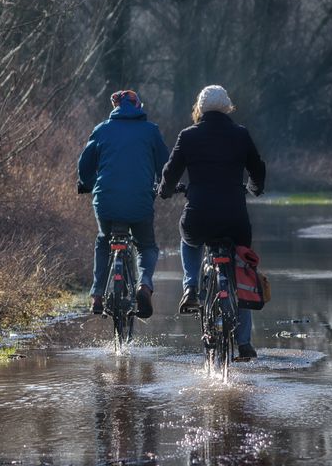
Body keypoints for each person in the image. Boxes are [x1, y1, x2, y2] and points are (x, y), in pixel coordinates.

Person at [158, 85, 266, 359]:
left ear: (200, 109)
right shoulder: (240, 134)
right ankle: (244, 343)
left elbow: (171, 172)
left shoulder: (189, 136)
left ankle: (191, 287)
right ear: (227, 107)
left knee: (189, 239)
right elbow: (257, 168)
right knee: (240, 269)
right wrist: (254, 188)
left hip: (199, 216)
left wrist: (165, 191)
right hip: (234, 219)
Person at [78, 90, 169, 318]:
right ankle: (144, 286)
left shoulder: (102, 130)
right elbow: (165, 165)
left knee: (103, 240)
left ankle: (97, 295)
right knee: (146, 245)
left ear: (115, 107)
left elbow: (85, 164)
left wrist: (86, 183)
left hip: (106, 201)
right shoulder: (150, 131)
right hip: (140, 202)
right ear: (138, 106)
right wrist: (162, 186)